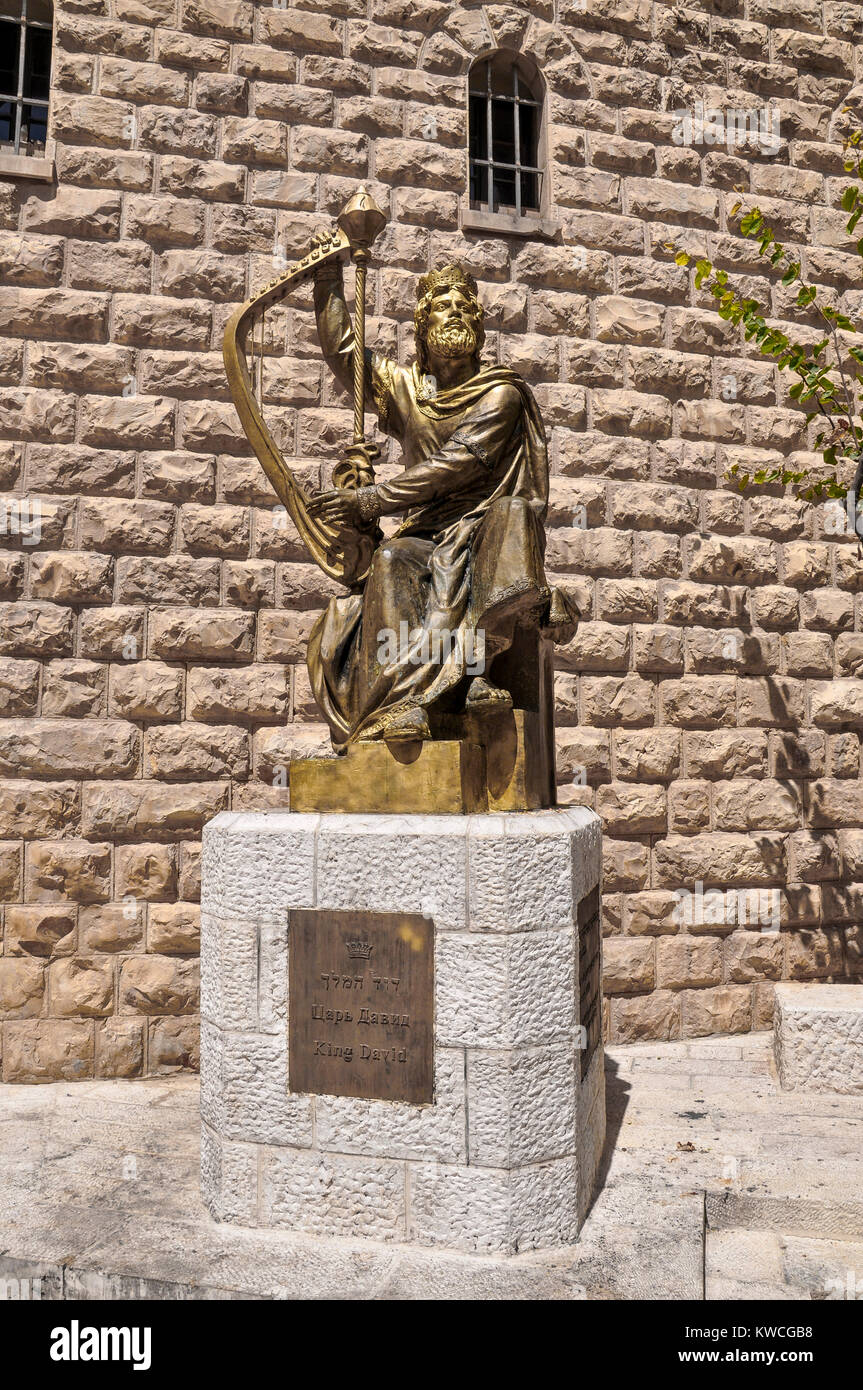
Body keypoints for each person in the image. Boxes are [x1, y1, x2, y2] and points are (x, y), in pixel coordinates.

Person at [306, 254, 570, 749]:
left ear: (479, 327)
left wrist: (371, 500)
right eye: (441, 307)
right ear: (423, 331)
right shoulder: (408, 390)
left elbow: (456, 464)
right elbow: (345, 353)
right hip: (424, 537)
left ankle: (477, 674)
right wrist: (327, 276)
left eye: (464, 307)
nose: (454, 313)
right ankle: (403, 706)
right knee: (390, 558)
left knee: (509, 517)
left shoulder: (501, 394)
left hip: (485, 534)